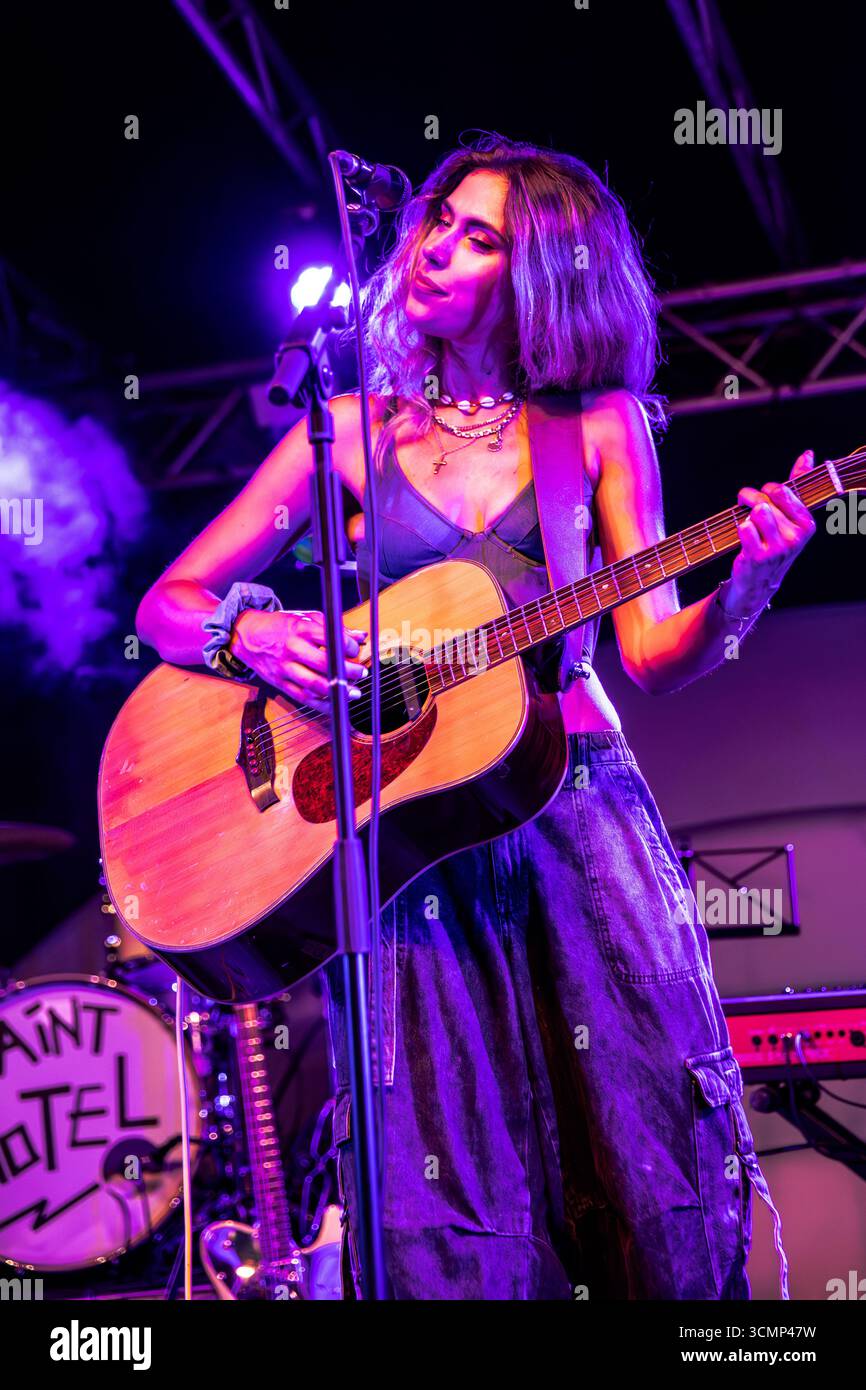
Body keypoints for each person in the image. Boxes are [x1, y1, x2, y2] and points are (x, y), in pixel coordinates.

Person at [136, 134, 816, 1300]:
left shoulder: (595, 426)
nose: (437, 248)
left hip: (577, 817)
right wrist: (250, 634)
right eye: (439, 222)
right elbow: (166, 605)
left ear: (542, 275)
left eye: (480, 238)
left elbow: (649, 652)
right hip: (408, 848)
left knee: (644, 1140)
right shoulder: (345, 429)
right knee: (442, 1184)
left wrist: (746, 583)